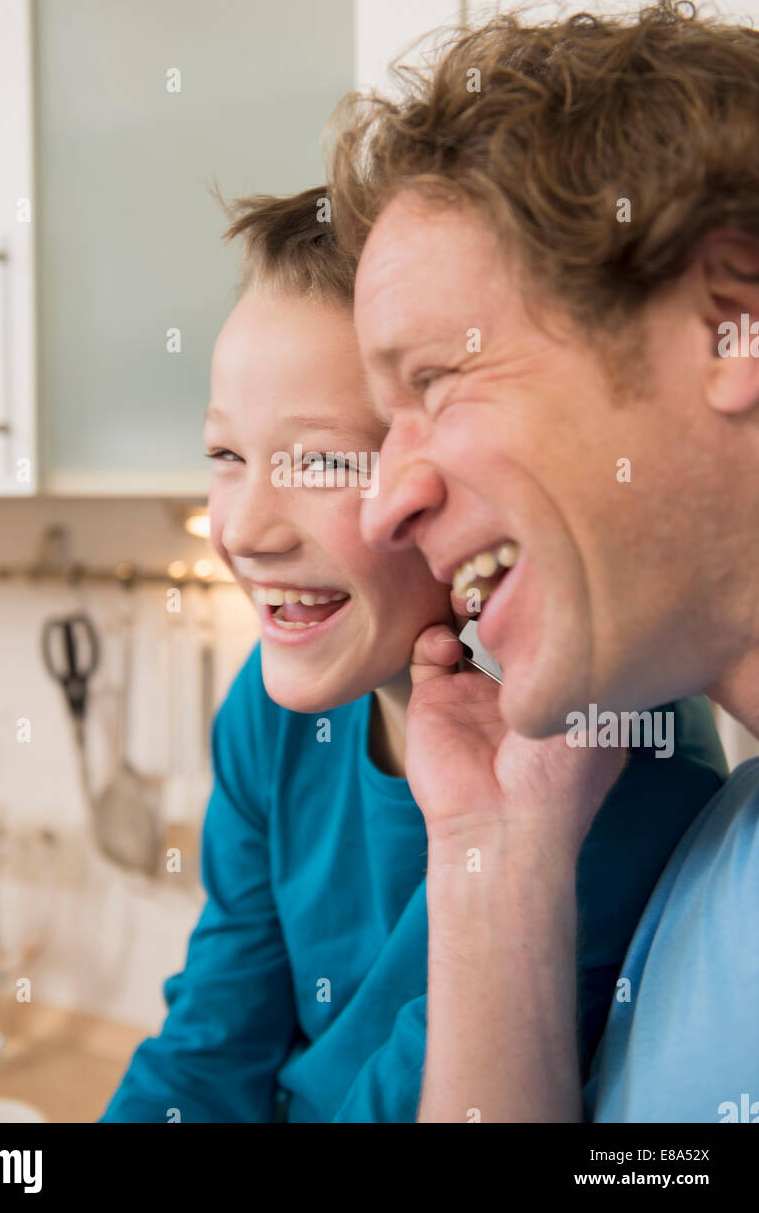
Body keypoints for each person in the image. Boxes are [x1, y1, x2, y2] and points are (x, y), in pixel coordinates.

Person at [99, 181, 727, 1123]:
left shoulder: (602, 768)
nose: (245, 531)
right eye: (225, 456)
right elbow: (209, 1048)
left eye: (324, 462)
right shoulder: (266, 714)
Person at [327, 0, 759, 1122]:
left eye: (438, 382)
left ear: (728, 318)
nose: (385, 506)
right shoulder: (721, 863)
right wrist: (495, 855)